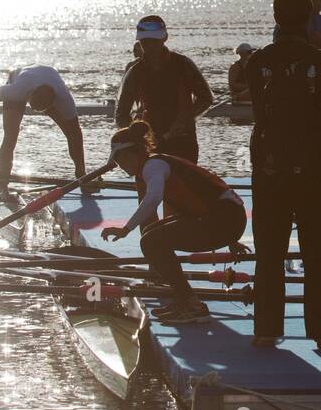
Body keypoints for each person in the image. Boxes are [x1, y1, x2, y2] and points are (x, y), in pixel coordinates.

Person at [247, 0, 321, 349]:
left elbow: (260, 112)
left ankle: (266, 329)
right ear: (309, 19)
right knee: (316, 250)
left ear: (275, 18)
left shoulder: (257, 63)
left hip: (270, 162)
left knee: (269, 251)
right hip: (313, 162)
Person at [101, 121, 247, 324]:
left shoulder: (153, 166)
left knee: (151, 241)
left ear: (131, 153)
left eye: (119, 161)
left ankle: (193, 305)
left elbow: (153, 199)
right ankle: (183, 299)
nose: (120, 167)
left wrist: (126, 229)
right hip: (224, 218)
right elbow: (196, 199)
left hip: (225, 219)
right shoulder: (151, 166)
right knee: (152, 235)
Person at [0, 65, 85, 195]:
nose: (32, 110)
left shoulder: (65, 100)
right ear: (30, 95)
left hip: (47, 79)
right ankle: (3, 187)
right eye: (33, 106)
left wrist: (81, 171)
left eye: (39, 109)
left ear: (52, 103)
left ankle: (81, 176)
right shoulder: (17, 90)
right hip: (20, 77)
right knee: (10, 136)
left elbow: (76, 134)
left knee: (71, 133)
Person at [115, 15, 214, 162]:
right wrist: (133, 134)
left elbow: (205, 98)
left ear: (164, 38)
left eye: (154, 42)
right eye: (145, 42)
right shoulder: (135, 72)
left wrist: (184, 120)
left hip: (183, 139)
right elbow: (121, 113)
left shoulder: (183, 65)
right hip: (151, 140)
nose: (149, 47)